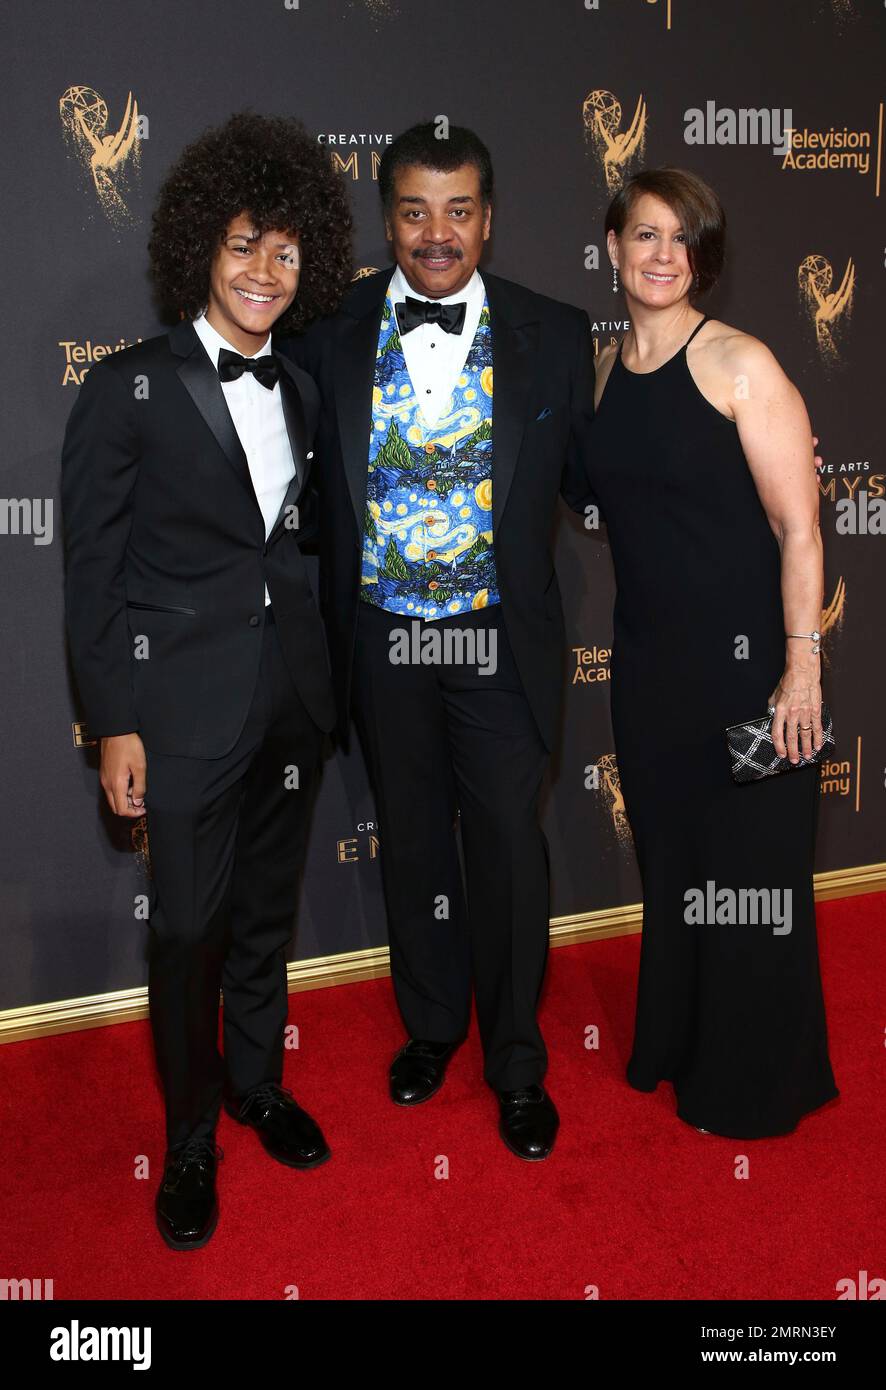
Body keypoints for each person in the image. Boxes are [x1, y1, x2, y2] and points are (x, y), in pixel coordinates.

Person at [60, 112, 352, 1248]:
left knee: (264, 919)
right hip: (175, 710)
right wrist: (112, 726)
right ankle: (188, 1143)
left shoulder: (307, 389)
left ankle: (255, 1084)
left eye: (286, 251)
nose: (263, 272)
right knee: (187, 930)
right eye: (243, 244)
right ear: (199, 247)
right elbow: (91, 575)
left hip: (293, 698)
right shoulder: (128, 386)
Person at [283, 122, 596, 1160]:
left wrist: (733, 450)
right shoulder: (326, 330)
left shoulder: (555, 333)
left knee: (506, 845)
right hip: (382, 635)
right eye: (414, 210)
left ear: (489, 220)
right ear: (387, 218)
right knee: (412, 836)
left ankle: (515, 1059)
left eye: (457, 210)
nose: (436, 233)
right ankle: (430, 1028)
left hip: (498, 640)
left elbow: (602, 477)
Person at [587, 166, 838, 1137]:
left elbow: (799, 530)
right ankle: (677, 1043)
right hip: (650, 673)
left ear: (704, 258)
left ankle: (752, 1081)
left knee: (749, 876)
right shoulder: (606, 370)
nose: (660, 256)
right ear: (611, 246)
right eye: (643, 235)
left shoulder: (743, 364)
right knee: (677, 866)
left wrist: (801, 668)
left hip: (750, 674)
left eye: (680, 241)